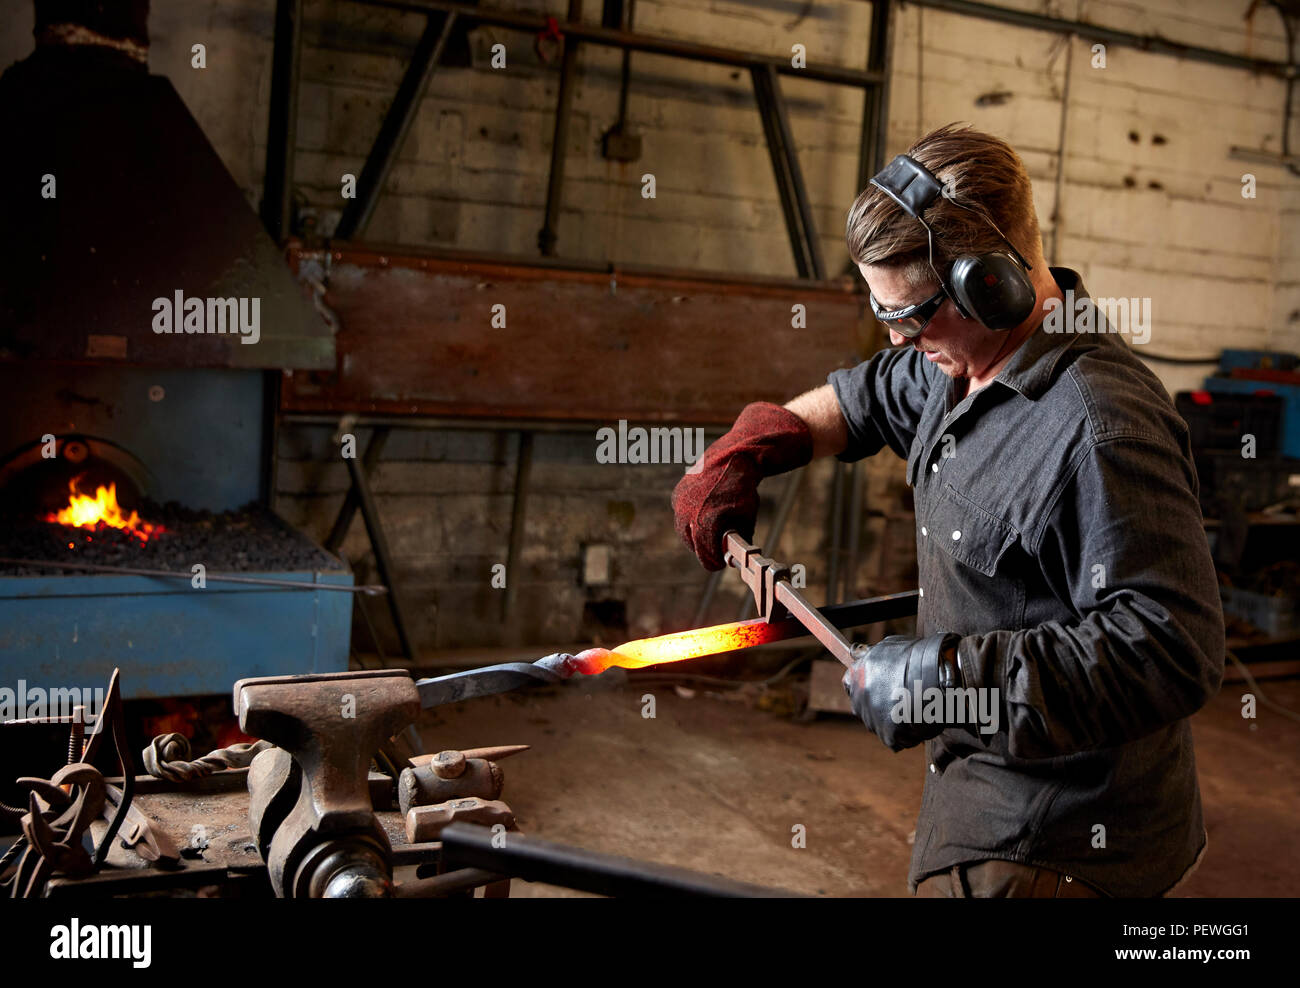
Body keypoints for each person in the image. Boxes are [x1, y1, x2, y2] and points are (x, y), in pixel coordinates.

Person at [672, 123, 1224, 898]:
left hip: (1051, 838)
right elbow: (861, 400)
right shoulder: (951, 363)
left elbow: (1171, 650)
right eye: (882, 311)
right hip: (972, 792)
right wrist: (750, 447)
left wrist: (946, 680)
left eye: (911, 314)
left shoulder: (1100, 426)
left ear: (992, 283)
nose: (897, 338)